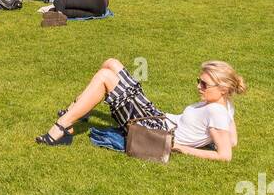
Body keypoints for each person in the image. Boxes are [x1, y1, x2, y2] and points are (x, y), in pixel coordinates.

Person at [37, 57, 245, 158]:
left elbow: (225, 156)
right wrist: (213, 134)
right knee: (112, 63)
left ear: (223, 88)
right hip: (157, 118)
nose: (198, 86)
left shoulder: (217, 111)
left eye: (204, 84)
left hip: (156, 131)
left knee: (105, 77)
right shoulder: (225, 106)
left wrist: (182, 148)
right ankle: (77, 110)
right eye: (199, 80)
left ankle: (62, 127)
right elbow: (232, 140)